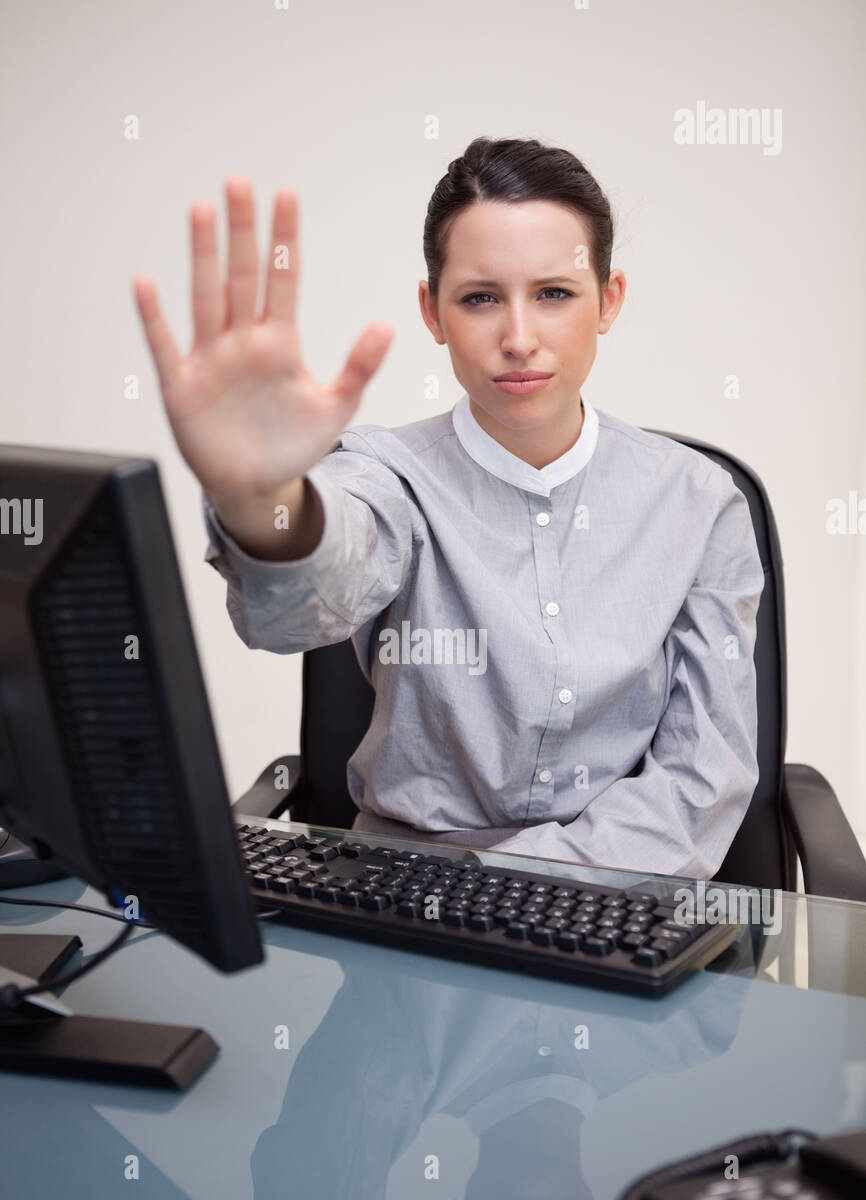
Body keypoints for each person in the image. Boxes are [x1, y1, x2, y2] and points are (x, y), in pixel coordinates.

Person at [133, 136, 764, 879]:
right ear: (433, 312)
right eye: (480, 298)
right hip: (407, 895)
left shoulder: (698, 501)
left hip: (617, 894)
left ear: (609, 301)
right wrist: (266, 498)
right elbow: (300, 607)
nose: (519, 339)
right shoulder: (383, 474)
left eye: (555, 294)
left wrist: (516, 883)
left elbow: (703, 777)